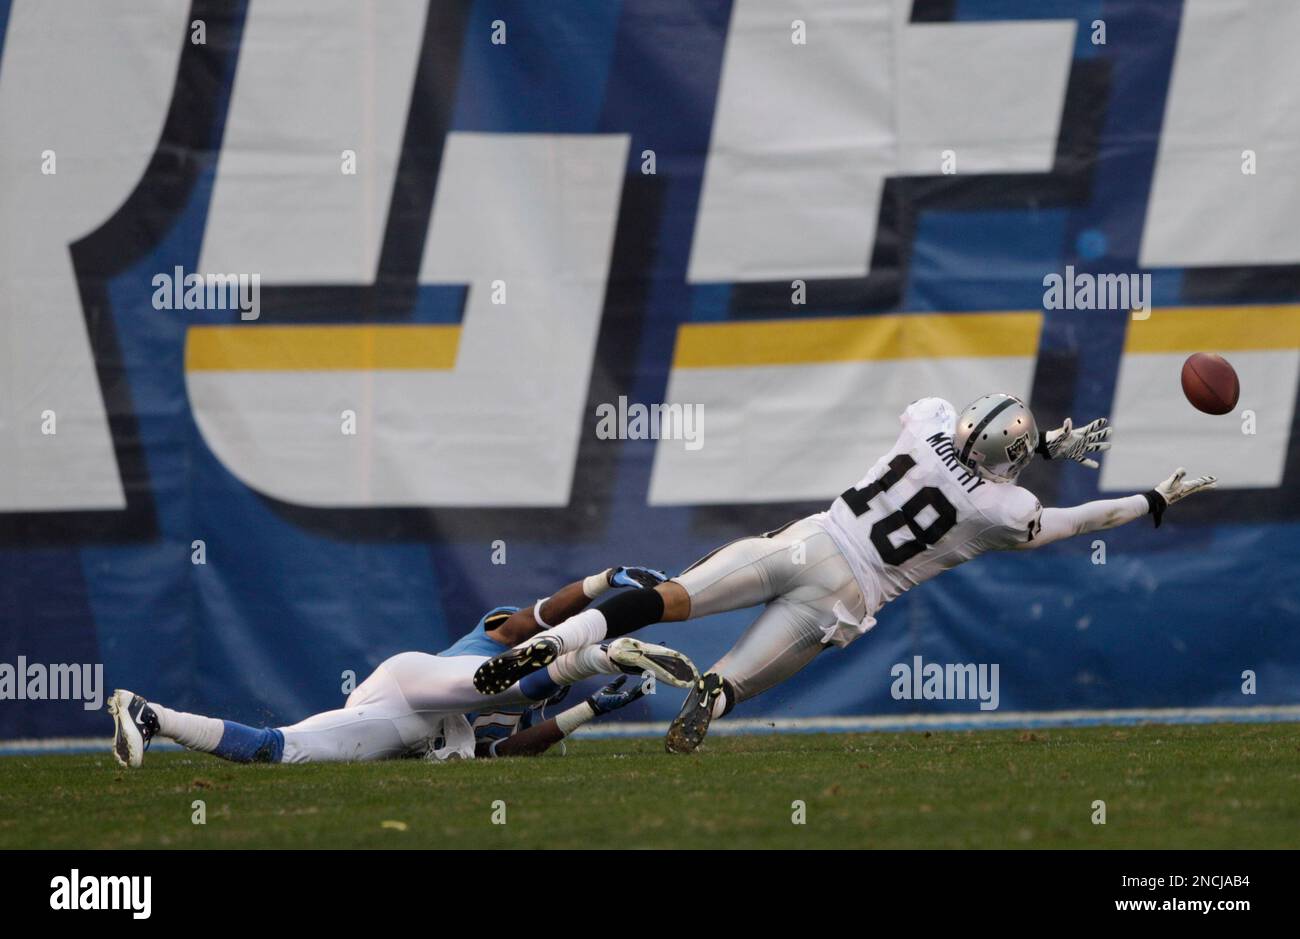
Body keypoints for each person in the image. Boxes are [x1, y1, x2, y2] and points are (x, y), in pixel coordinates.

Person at [471, 394, 1216, 754]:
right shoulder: (1002, 507)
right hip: (849, 597)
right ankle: (710, 696)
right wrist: (1149, 498)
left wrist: (1042, 441)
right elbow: (1073, 522)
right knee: (733, 680)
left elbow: (951, 434)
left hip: (808, 540)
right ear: (1012, 462)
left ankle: (568, 635)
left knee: (667, 597)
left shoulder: (928, 423)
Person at [109, 565, 698, 767]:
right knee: (485, 682)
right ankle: (600, 650)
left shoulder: (527, 690)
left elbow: (500, 755)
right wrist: (600, 584)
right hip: (410, 686)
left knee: (277, 750)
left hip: (407, 727)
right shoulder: (498, 635)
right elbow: (532, 622)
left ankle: (152, 716)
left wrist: (590, 709)